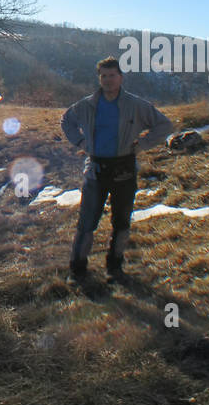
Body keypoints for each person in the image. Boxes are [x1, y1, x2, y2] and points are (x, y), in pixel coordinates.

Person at [60, 57, 175, 286]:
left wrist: (142, 145)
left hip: (124, 169)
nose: (108, 80)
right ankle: (77, 270)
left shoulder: (136, 105)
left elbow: (165, 125)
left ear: (121, 77)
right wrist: (81, 142)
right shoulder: (87, 104)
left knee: (121, 222)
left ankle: (115, 268)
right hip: (96, 169)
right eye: (103, 76)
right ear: (99, 78)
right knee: (86, 223)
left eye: (112, 75)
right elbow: (66, 121)